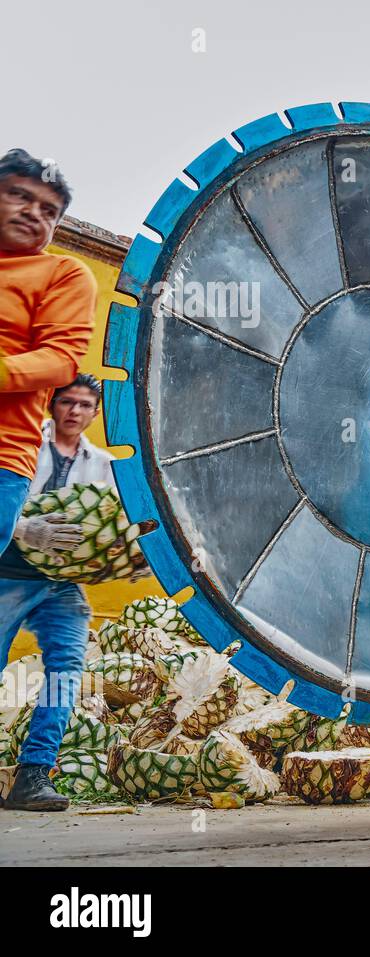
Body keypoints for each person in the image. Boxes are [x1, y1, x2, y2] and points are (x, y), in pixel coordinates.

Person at [0, 147, 98, 809]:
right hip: (13, 568)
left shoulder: (99, 466)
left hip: (59, 580)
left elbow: (117, 524)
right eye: (19, 197)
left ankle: (35, 774)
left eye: (49, 210)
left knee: (67, 672)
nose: (75, 411)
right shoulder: (33, 444)